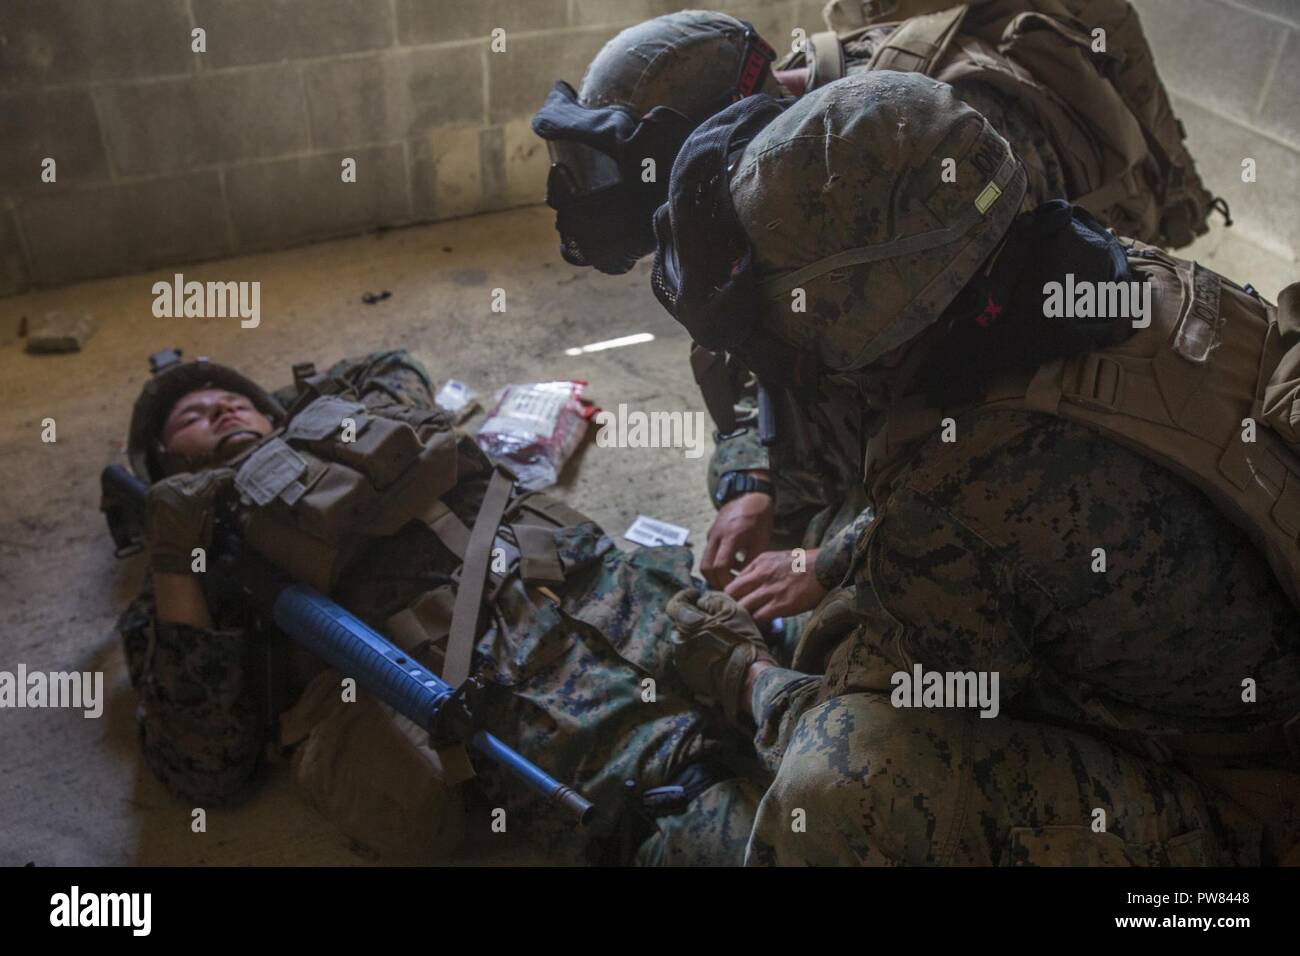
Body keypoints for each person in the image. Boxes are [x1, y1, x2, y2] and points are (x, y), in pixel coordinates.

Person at [652, 70, 1300, 865]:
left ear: (861, 303)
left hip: (1260, 802)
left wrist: (745, 674)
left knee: (843, 779)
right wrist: (830, 562)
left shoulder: (957, 495)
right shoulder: (1100, 270)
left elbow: (917, 693)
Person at [531, 6, 1225, 651]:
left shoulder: (942, 151)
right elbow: (754, 337)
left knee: (881, 630)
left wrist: (831, 562)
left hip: (1036, 382)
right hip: (940, 354)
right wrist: (751, 479)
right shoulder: (775, 139)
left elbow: (999, 429)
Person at [116, 348, 763, 865]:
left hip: (606, 596)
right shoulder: (207, 563)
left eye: (236, 401)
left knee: (780, 698)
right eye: (192, 417)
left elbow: (391, 364)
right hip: (516, 696)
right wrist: (175, 556)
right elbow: (205, 767)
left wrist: (298, 416)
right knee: (708, 812)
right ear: (165, 465)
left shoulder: (355, 426)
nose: (222, 410)